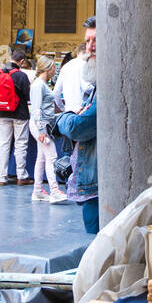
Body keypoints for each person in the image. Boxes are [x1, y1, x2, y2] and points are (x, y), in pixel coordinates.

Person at [54, 89, 98, 233]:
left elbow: (77, 127)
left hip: (95, 181)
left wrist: (64, 117)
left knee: (96, 239)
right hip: (92, 177)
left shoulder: (102, 90)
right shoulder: (95, 90)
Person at [28, 56, 67, 203]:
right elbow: (36, 109)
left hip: (41, 124)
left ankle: (38, 190)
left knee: (42, 158)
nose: (55, 70)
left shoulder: (40, 84)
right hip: (41, 125)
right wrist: (42, 131)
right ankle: (54, 190)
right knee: (51, 156)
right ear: (49, 68)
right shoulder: (39, 85)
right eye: (54, 68)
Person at [0, 49, 32, 186]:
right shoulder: (21, 76)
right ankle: (21, 175)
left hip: (2, 113)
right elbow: (28, 96)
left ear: (10, 58)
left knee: (3, 144)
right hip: (19, 113)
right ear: (21, 61)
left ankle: (1, 177)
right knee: (20, 144)